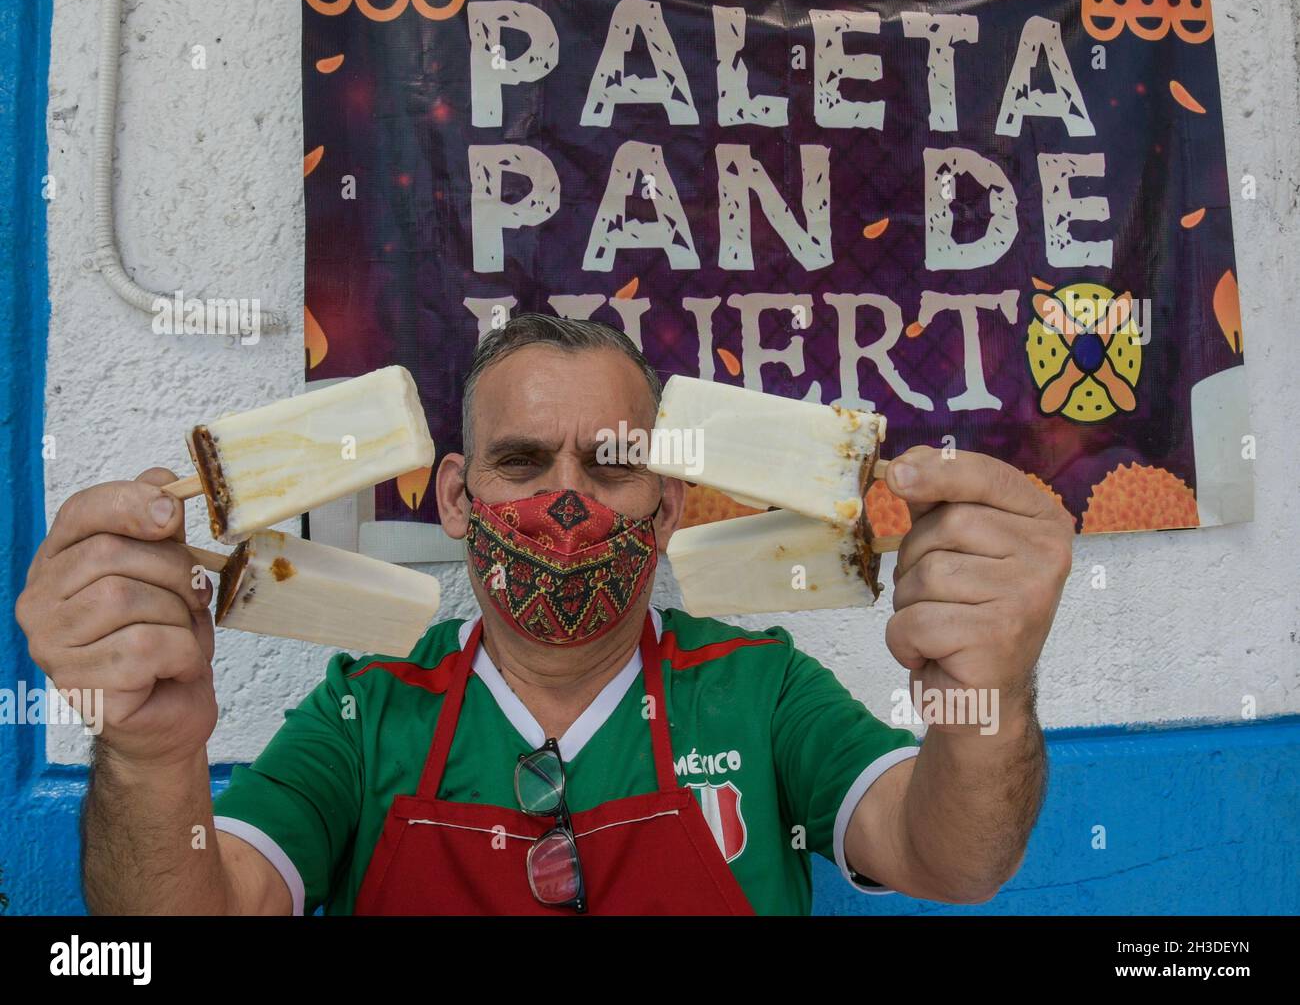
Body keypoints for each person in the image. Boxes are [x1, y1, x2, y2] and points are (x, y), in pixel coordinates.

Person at [17, 313, 1074, 915]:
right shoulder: (365, 710)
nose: (564, 502)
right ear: (455, 500)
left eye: (611, 466)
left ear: (665, 505)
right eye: (521, 461)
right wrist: (151, 758)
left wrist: (988, 689)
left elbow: (955, 859)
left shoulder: (760, 689)